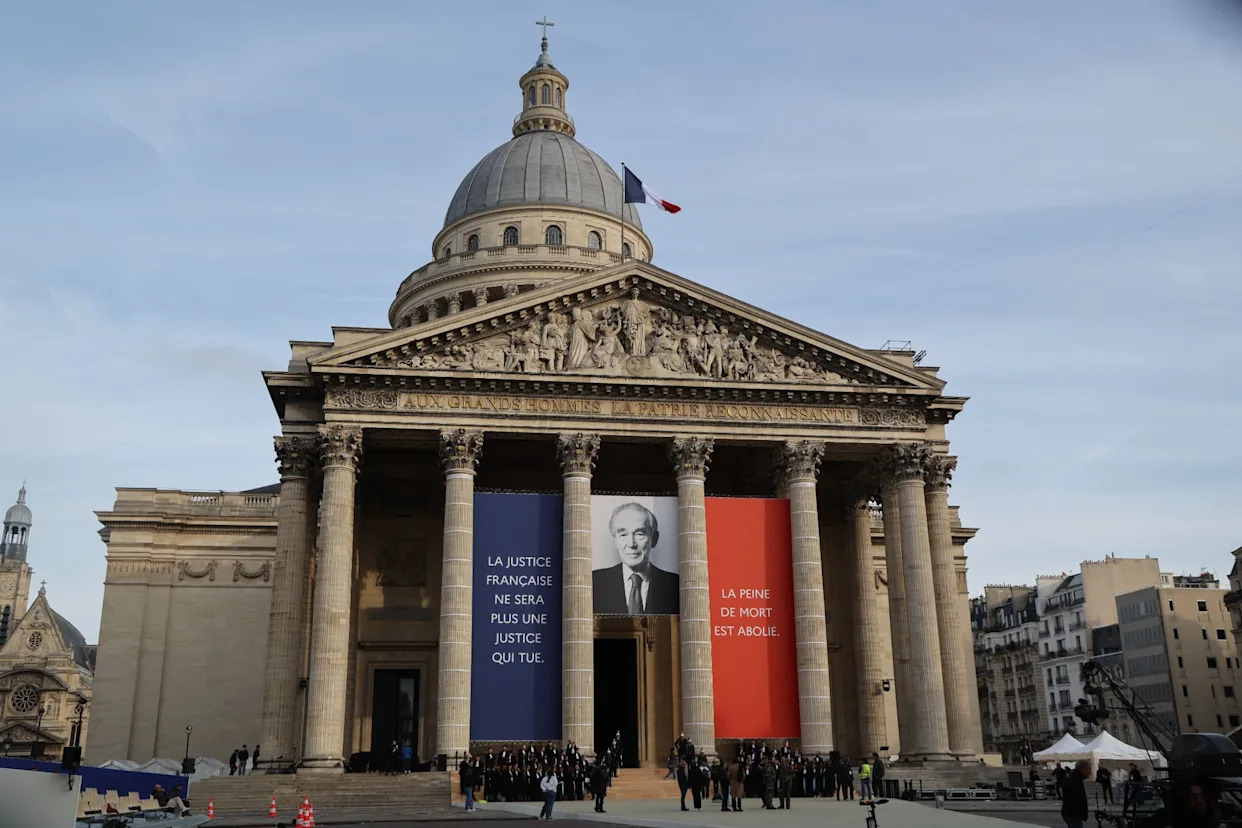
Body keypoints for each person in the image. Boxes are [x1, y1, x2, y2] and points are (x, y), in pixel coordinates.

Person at [592, 502, 679, 615]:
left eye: (639, 534)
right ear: (615, 541)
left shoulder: (675, 585)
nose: (631, 544)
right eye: (623, 535)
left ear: (654, 539)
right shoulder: (593, 582)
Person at [1060, 759, 1091, 828]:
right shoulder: (1074, 780)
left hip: (1072, 814)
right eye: (1089, 769)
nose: (1090, 772)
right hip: (1073, 815)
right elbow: (1072, 800)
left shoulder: (1075, 778)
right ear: (1082, 769)